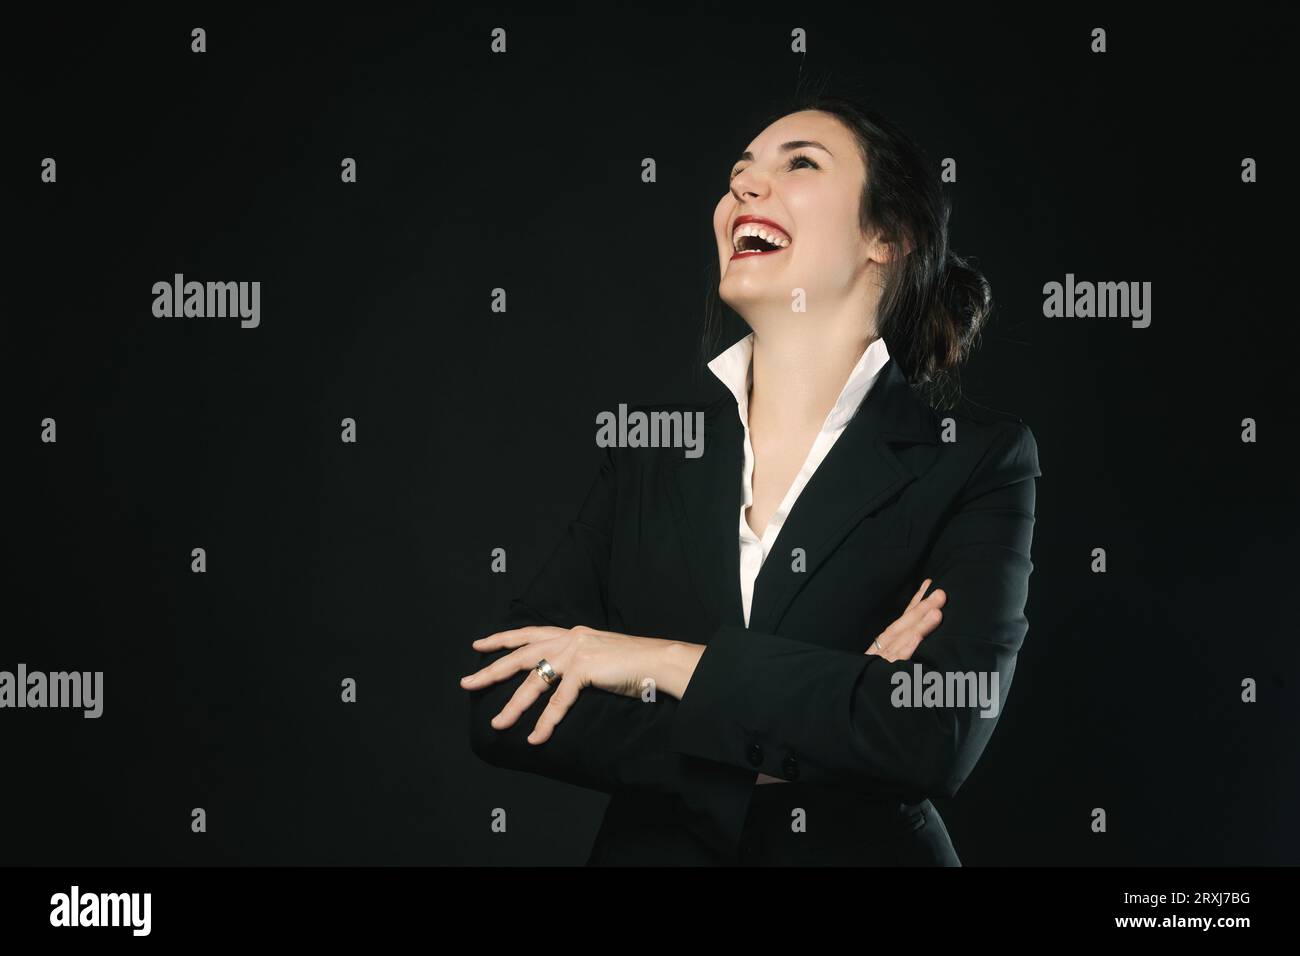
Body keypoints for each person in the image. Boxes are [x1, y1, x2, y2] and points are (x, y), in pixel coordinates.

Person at [463, 94, 1041, 865]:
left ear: (887, 236)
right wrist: (832, 718)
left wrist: (654, 660)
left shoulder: (975, 460)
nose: (744, 187)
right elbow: (505, 695)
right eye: (739, 173)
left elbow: (935, 729)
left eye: (799, 162)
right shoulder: (652, 444)